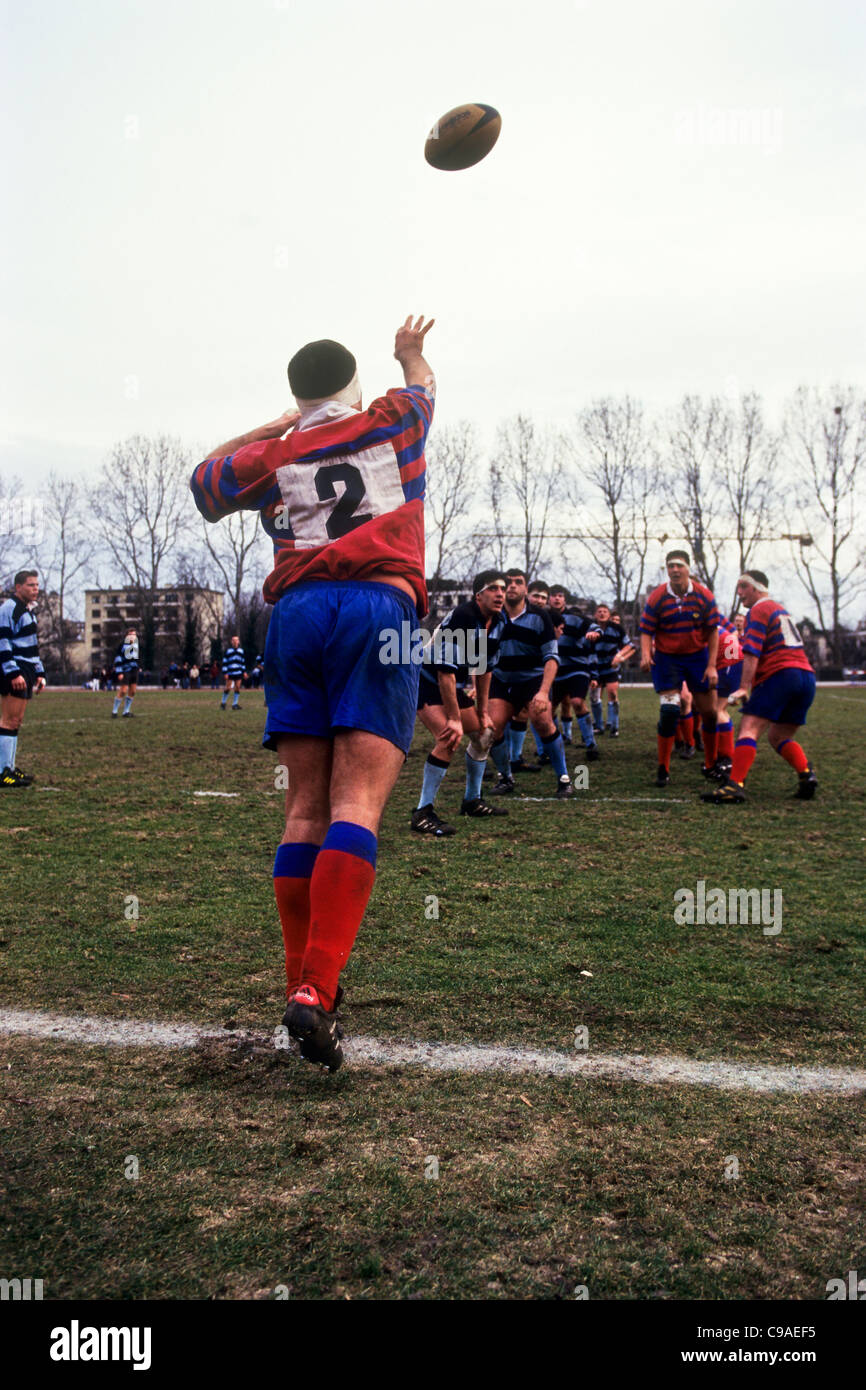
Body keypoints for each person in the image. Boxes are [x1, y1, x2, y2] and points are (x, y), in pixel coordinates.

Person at [191, 314, 435, 1071]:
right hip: (377, 605)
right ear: (355, 388)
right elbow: (423, 388)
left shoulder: (277, 453)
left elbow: (205, 480)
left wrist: (281, 421)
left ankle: (307, 985)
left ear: (298, 398)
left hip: (294, 615)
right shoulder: (394, 420)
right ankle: (316, 991)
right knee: (356, 806)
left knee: (304, 808)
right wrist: (410, 354)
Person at [703, 570, 817, 804]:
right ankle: (806, 775)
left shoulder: (758, 610)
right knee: (778, 735)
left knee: (749, 729)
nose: (739, 592)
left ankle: (734, 785)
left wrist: (744, 687)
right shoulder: (780, 609)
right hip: (806, 677)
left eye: (743, 586)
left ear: (757, 587)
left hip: (781, 674)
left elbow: (752, 651)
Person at [411, 570, 508, 834]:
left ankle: (472, 800)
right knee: (449, 737)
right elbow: (445, 674)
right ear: (479, 595)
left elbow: (485, 669)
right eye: (493, 588)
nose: (500, 593)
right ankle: (422, 812)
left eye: (503, 588)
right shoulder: (465, 617)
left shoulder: (500, 622)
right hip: (425, 680)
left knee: (485, 732)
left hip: (447, 681)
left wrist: (483, 712)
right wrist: (454, 720)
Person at [484, 571, 574, 799]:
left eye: (518, 583)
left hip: (532, 679)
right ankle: (506, 777)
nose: (512, 587)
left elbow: (552, 657)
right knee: (491, 728)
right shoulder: (491, 615)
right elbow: (479, 654)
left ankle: (564, 779)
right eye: (508, 583)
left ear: (526, 589)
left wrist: (543, 692)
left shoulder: (540, 617)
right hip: (501, 678)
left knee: (542, 720)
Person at [639, 551, 720, 787]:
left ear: (688, 568)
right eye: (670, 566)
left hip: (697, 658)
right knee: (670, 711)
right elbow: (646, 630)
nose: (674, 570)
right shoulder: (657, 597)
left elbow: (713, 631)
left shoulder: (704, 596)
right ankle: (663, 768)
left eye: (679, 566)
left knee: (710, 713)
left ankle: (711, 764)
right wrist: (646, 654)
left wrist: (712, 665)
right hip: (668, 660)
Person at [0, 570, 46, 787]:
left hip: (26, 670)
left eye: (37, 585)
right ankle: (2, 772)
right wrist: (12, 672)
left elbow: (32, 646)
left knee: (16, 721)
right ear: (18, 587)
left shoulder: (29, 611)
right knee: (8, 720)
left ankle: (9, 769)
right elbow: (3, 641)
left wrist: (39, 672)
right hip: (15, 670)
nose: (35, 589)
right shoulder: (9, 609)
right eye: (30, 585)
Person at [549, 600, 602, 759]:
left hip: (576, 669)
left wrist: (594, 675)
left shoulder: (575, 619)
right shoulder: (543, 618)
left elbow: (594, 628)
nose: (557, 599)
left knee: (576, 702)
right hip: (554, 672)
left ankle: (590, 744)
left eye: (560, 596)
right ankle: (548, 747)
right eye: (553, 596)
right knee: (545, 711)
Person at [589, 605, 635, 738]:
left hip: (611, 667)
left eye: (605, 612)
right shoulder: (590, 629)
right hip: (595, 667)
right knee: (594, 696)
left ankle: (614, 727)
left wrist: (619, 657)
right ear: (595, 615)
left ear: (609, 615)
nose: (602, 614)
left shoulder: (616, 628)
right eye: (599, 612)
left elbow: (630, 646)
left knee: (612, 693)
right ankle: (598, 726)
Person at [111, 628, 140, 717]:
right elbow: (118, 659)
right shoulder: (122, 646)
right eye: (131, 634)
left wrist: (139, 666)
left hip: (134, 670)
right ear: (126, 636)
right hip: (125, 670)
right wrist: (119, 672)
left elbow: (137, 659)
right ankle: (114, 711)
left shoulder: (136, 645)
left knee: (133, 691)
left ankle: (126, 711)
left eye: (134, 635)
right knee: (123, 690)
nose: (133, 636)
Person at [220, 636, 246, 709]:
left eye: (236, 640)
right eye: (233, 640)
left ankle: (235, 704)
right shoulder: (228, 651)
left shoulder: (241, 651)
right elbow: (225, 662)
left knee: (237, 687)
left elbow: (242, 662)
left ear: (238, 642)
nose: (235, 642)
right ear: (231, 642)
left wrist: (244, 672)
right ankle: (223, 703)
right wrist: (225, 672)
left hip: (238, 672)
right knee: (228, 688)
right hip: (230, 672)